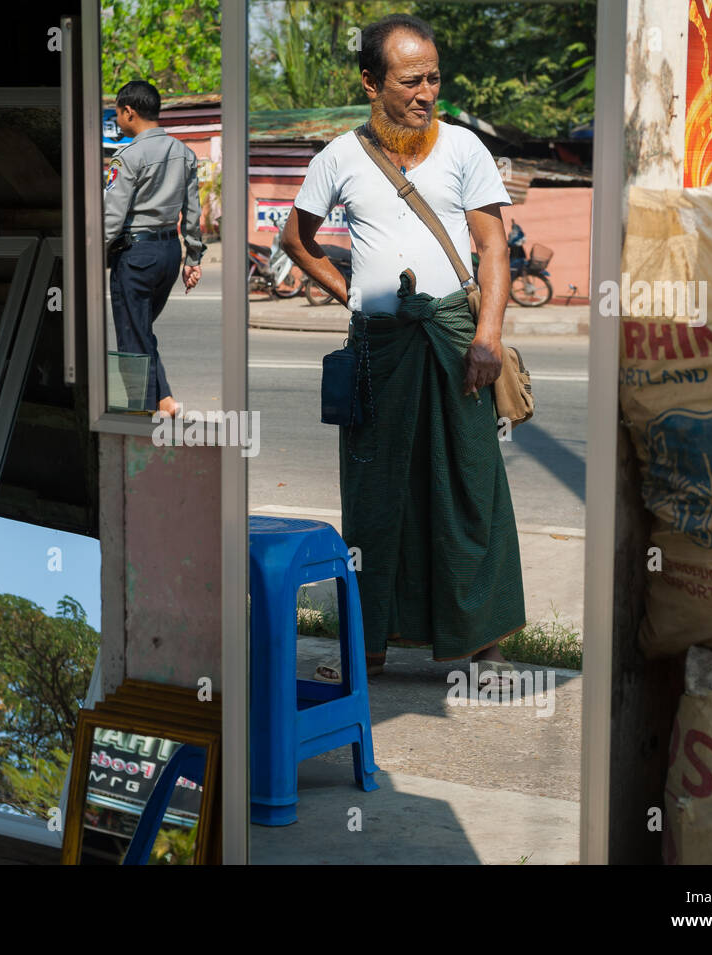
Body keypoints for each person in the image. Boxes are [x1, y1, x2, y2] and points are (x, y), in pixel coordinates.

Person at [281, 14, 525, 683]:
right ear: (371, 82)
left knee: (471, 483)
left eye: (434, 78)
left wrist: (488, 336)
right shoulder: (338, 157)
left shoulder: (465, 149)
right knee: (374, 495)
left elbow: (493, 248)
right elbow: (296, 241)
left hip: (453, 337)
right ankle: (371, 645)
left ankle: (484, 642)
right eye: (411, 79)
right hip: (377, 348)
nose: (427, 92)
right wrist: (353, 294)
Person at [104, 79, 204, 417]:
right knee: (141, 327)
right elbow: (193, 211)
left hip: (135, 255)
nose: (117, 119)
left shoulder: (127, 156)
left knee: (131, 339)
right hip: (168, 254)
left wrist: (90, 258)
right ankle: (165, 401)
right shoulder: (184, 153)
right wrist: (193, 258)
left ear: (129, 112)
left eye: (117, 113)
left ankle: (135, 414)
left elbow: (112, 218)